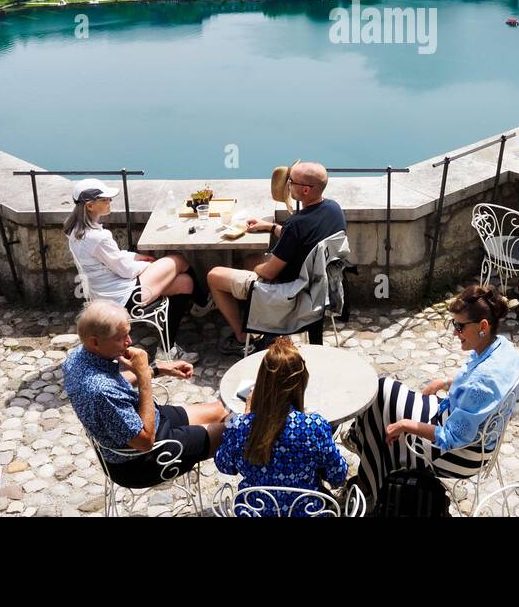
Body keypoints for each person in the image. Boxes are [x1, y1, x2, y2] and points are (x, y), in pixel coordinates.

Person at [346, 284, 519, 510]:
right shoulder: (503, 349)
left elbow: (451, 438)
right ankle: (366, 455)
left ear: (483, 326)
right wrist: (446, 383)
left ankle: (368, 482)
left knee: (381, 409)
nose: (454, 332)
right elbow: (473, 387)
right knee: (382, 394)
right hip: (469, 430)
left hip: (460, 454)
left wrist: (406, 425)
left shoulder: (482, 382)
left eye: (459, 326)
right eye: (453, 324)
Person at [62, 300, 226, 487]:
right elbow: (146, 442)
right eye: (120, 337)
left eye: (128, 333)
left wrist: (157, 369)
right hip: (141, 461)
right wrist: (143, 377)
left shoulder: (76, 357)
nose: (129, 342)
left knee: (221, 410)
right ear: (95, 342)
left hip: (144, 422)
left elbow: (115, 385)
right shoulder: (101, 391)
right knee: (234, 431)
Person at [207, 160, 345, 354]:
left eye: (291, 181)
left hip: (290, 290)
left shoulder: (296, 224)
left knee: (214, 275)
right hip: (319, 286)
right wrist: (270, 227)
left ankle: (241, 337)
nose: (288, 184)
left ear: (305, 190)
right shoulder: (334, 210)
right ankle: (262, 323)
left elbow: (270, 273)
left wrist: (257, 270)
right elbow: (303, 238)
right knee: (250, 259)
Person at [213, 337, 348, 513]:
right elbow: (338, 475)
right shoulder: (314, 427)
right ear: (301, 382)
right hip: (304, 512)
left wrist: (245, 417)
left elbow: (224, 465)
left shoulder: (240, 426)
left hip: (255, 512)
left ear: (262, 380)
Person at [64, 179, 195, 359]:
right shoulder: (98, 237)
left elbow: (112, 257)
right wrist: (149, 265)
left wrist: (135, 256)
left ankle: (167, 349)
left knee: (185, 283)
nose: (109, 202)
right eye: (105, 200)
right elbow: (126, 270)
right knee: (177, 259)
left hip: (106, 296)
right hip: (125, 298)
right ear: (89, 205)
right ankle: (204, 301)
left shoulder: (76, 231)